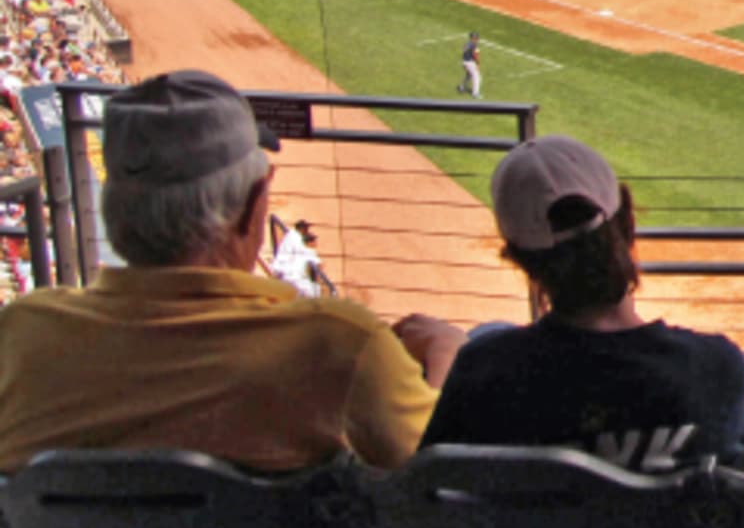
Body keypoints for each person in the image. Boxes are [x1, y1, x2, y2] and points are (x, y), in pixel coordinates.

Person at [0, 70, 458, 471]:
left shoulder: (22, 334)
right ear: (253, 207)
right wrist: (449, 355)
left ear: (113, 206)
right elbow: (440, 473)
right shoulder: (337, 343)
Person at [421, 135, 744, 471]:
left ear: (520, 260)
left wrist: (443, 354)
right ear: (628, 223)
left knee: (488, 333)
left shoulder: (485, 372)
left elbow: (428, 491)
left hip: (538, 525)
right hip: (667, 526)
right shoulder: (717, 367)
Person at [270, 218, 324, 300]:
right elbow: (316, 263)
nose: (306, 229)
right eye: (305, 228)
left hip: (288, 275)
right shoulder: (295, 237)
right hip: (292, 278)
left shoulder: (294, 238)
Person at [458, 31, 482, 99]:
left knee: (468, 75)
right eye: (476, 38)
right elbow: (476, 55)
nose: (477, 39)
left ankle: (462, 87)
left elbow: (464, 51)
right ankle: (475, 93)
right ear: (473, 38)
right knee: (477, 77)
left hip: (464, 61)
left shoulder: (467, 44)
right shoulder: (474, 45)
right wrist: (478, 64)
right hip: (470, 63)